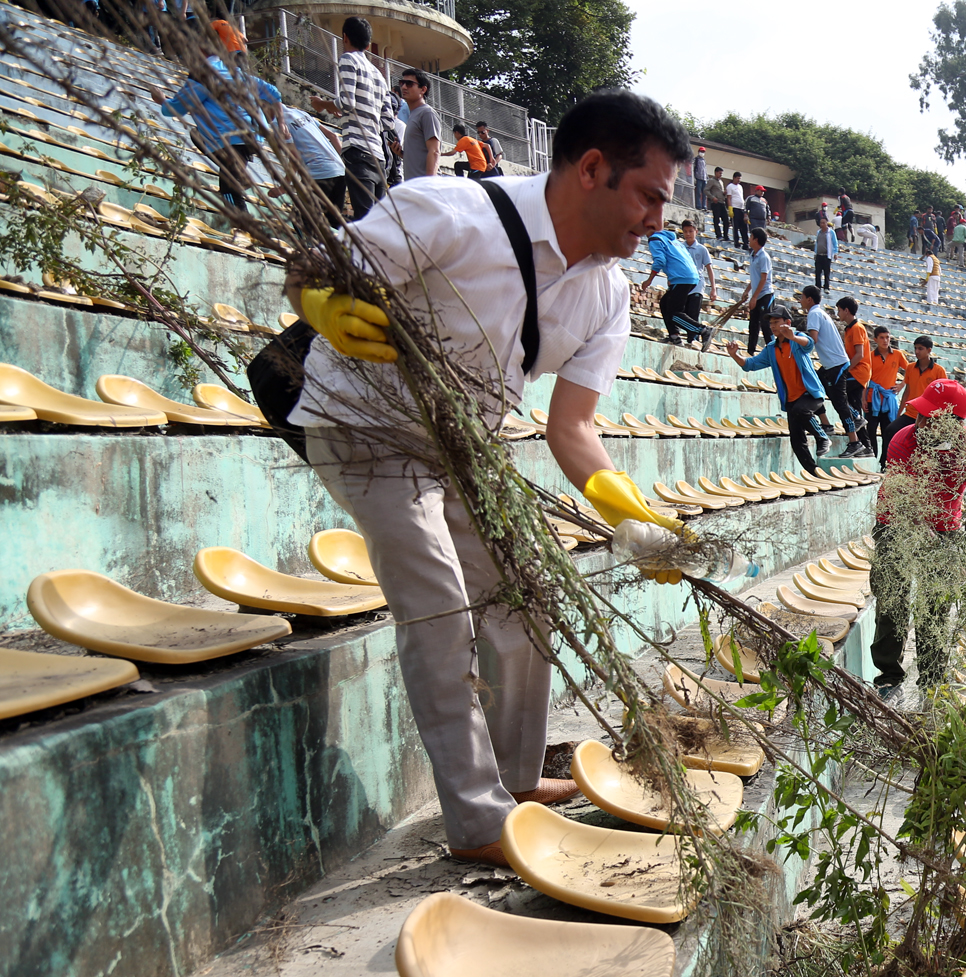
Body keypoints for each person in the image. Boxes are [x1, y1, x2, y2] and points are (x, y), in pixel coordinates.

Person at [286, 90, 688, 867]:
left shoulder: (607, 293)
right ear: (594, 169)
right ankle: (476, 822)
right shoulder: (449, 214)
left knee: (527, 587)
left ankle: (513, 777)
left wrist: (630, 515)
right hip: (362, 426)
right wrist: (320, 303)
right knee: (438, 603)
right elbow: (310, 265)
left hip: (462, 443)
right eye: (649, 197)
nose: (656, 221)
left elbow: (571, 428)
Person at [869, 379, 966, 698]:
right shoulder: (902, 440)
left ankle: (931, 679)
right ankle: (888, 675)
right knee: (892, 595)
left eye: (930, 417)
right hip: (897, 522)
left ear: (952, 423)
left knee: (935, 605)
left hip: (945, 530)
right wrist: (920, 531)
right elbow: (903, 500)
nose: (920, 422)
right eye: (920, 415)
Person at [154, 53, 284, 213]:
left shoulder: (202, 75)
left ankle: (243, 224)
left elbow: (175, 109)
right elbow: (274, 93)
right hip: (255, 134)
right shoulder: (237, 72)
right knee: (198, 135)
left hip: (231, 135)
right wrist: (281, 123)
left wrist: (161, 99)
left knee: (228, 189)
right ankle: (240, 176)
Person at [727, 303, 832, 476]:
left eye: (777, 322)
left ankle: (822, 437)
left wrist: (794, 337)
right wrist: (734, 355)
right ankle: (814, 472)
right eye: (771, 323)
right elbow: (750, 365)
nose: (773, 326)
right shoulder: (771, 348)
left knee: (801, 411)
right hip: (791, 399)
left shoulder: (797, 339)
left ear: (788, 322)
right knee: (797, 441)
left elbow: (809, 344)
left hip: (810, 394)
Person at [796, 285, 861, 457]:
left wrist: (794, 338)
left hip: (835, 364)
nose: (800, 301)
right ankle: (828, 424)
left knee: (839, 403)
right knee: (814, 389)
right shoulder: (820, 313)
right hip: (831, 364)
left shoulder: (814, 314)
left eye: (802, 297)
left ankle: (854, 441)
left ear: (809, 299)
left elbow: (812, 340)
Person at [271, 104, 347, 227]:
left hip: (319, 172)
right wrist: (344, 164)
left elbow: (295, 158)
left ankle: (310, 246)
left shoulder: (279, 125)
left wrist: (283, 188)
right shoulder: (302, 114)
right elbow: (333, 136)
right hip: (339, 169)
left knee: (300, 218)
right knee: (334, 220)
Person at [638, 224, 702, 344]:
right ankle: (674, 336)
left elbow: (660, 261)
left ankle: (702, 330)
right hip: (690, 276)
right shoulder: (673, 239)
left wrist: (649, 280)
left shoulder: (655, 239)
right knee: (665, 304)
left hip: (681, 277)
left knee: (674, 313)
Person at [837, 297, 875, 458]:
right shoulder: (848, 329)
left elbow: (859, 355)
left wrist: (845, 370)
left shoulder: (857, 328)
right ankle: (866, 447)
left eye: (839, 310)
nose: (837, 313)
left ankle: (857, 434)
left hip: (858, 372)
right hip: (855, 371)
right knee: (853, 406)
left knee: (837, 394)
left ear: (846, 311)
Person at [863, 325, 906, 462]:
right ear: (875, 339)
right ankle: (872, 457)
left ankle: (884, 461)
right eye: (881, 337)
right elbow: (865, 378)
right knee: (870, 429)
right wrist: (863, 399)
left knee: (888, 431)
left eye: (887, 337)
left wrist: (901, 385)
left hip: (888, 399)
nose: (885, 340)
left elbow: (911, 371)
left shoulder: (898, 355)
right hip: (872, 397)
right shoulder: (869, 356)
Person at [733, 227, 775, 353]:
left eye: (751, 237)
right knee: (753, 325)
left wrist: (754, 297)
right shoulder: (752, 255)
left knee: (766, 325)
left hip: (765, 295)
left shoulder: (764, 257)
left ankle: (774, 351)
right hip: (757, 294)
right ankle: (750, 351)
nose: (749, 239)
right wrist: (747, 291)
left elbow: (763, 278)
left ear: (756, 240)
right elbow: (755, 278)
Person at [396, 69, 440, 181]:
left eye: (409, 84)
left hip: (424, 189)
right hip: (413, 187)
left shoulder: (427, 113)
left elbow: (434, 151)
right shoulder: (413, 115)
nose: (404, 87)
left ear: (423, 89)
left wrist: (429, 184)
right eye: (402, 83)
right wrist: (401, 154)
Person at [813, 218, 837, 291]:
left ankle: (826, 287)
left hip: (827, 255)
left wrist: (835, 253)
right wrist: (815, 252)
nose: (822, 224)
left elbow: (835, 243)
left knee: (826, 272)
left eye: (823, 223)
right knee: (817, 272)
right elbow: (817, 243)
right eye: (821, 223)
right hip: (819, 255)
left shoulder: (831, 232)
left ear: (827, 223)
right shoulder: (818, 232)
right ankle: (818, 287)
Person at [706, 166, 728, 240]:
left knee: (726, 220)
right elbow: (706, 190)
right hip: (715, 202)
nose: (721, 175)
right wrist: (712, 197)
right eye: (720, 173)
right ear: (716, 172)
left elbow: (719, 192)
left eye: (721, 173)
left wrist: (724, 193)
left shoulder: (721, 182)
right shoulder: (711, 180)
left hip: (722, 202)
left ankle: (725, 235)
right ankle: (718, 235)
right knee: (716, 219)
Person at [727, 172, 747, 248]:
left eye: (740, 178)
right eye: (738, 178)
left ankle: (745, 242)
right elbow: (729, 198)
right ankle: (736, 242)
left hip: (741, 208)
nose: (739, 180)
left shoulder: (740, 187)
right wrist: (730, 208)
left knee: (744, 227)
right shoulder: (730, 186)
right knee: (736, 227)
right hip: (735, 208)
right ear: (734, 178)